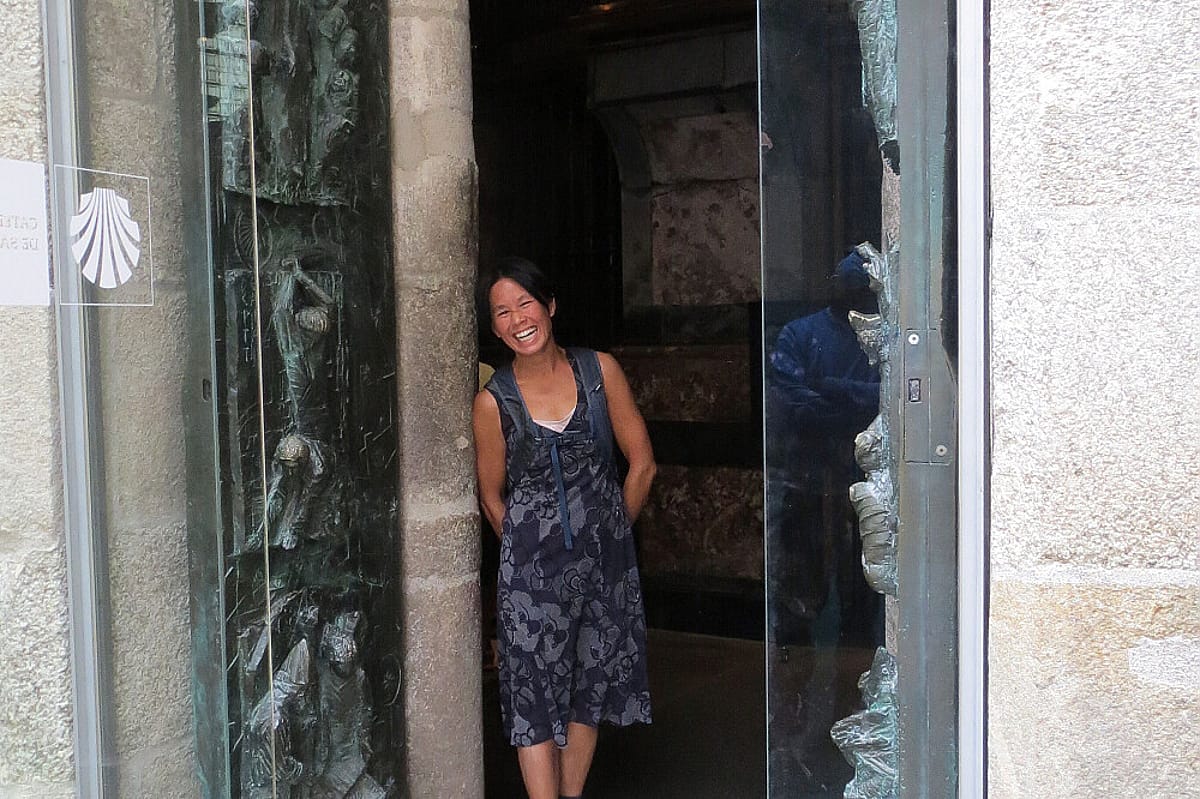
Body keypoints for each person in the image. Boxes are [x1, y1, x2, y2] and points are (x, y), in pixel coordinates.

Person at [473, 257, 656, 799]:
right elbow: (490, 495)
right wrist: (527, 553)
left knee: (587, 689)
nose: (517, 320)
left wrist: (609, 536)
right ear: (495, 328)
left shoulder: (601, 373)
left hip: (605, 569)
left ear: (550, 306)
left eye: (525, 303)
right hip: (531, 582)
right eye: (502, 313)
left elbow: (642, 464)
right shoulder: (492, 402)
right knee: (532, 697)